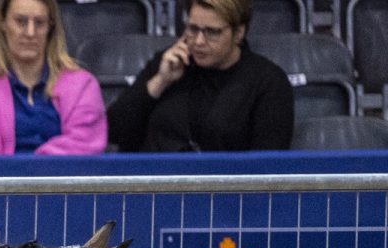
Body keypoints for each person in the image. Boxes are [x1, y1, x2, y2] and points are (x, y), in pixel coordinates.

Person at [106, 0, 292, 152]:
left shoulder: (268, 81)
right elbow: (114, 132)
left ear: (238, 33)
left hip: (224, 185)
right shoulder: (169, 63)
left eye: (212, 32)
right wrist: (160, 81)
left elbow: (267, 165)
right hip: (155, 181)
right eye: (193, 29)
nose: (199, 41)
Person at [0, 0, 106, 155]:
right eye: (21, 21)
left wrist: (32, 167)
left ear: (50, 27)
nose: (30, 33)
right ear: (3, 23)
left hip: (60, 171)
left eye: (39, 23)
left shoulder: (83, 85)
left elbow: (83, 144)